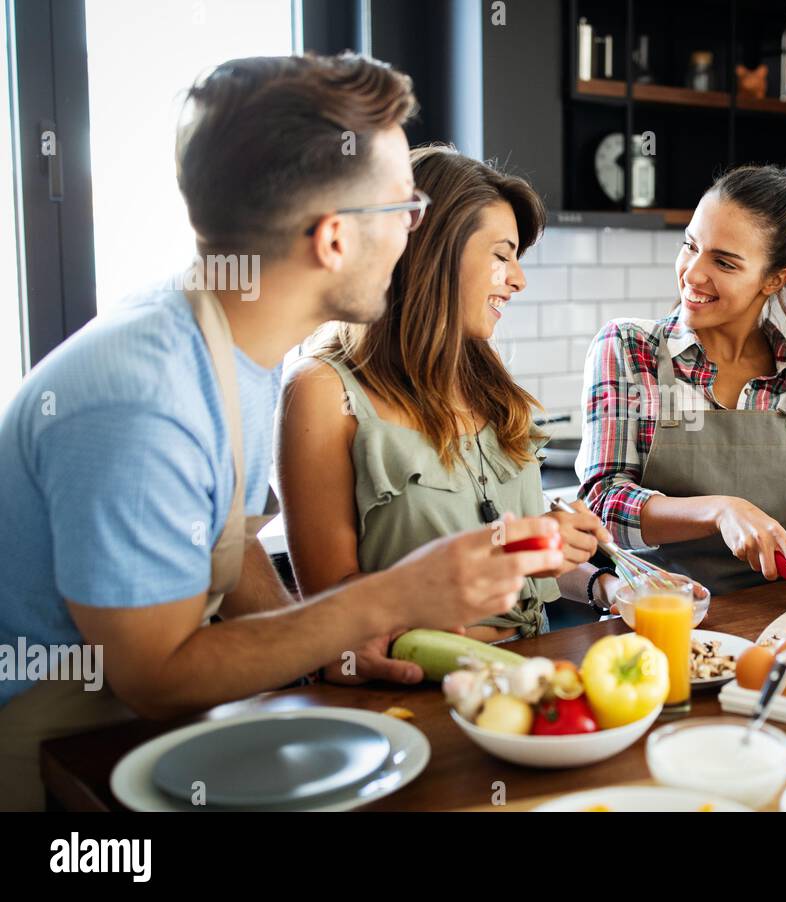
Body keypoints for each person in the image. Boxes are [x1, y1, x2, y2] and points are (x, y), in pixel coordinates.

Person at [0, 54, 563, 811]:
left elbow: (220, 547)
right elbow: (160, 677)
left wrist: (326, 642)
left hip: (131, 726)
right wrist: (388, 599)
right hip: (49, 741)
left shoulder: (230, 342)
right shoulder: (144, 398)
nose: (414, 230)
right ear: (334, 239)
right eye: (405, 206)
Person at [277, 145, 610, 650]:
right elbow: (328, 614)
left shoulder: (490, 383)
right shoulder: (323, 391)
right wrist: (516, 545)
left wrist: (593, 574)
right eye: (502, 256)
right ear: (431, 248)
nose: (517, 279)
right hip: (413, 692)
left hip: (529, 676)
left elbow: (518, 575)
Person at [578, 164, 786, 601]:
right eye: (690, 246)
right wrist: (719, 510)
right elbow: (602, 502)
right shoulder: (629, 348)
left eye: (723, 262)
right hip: (656, 618)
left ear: (775, 278)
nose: (692, 274)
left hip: (778, 623)